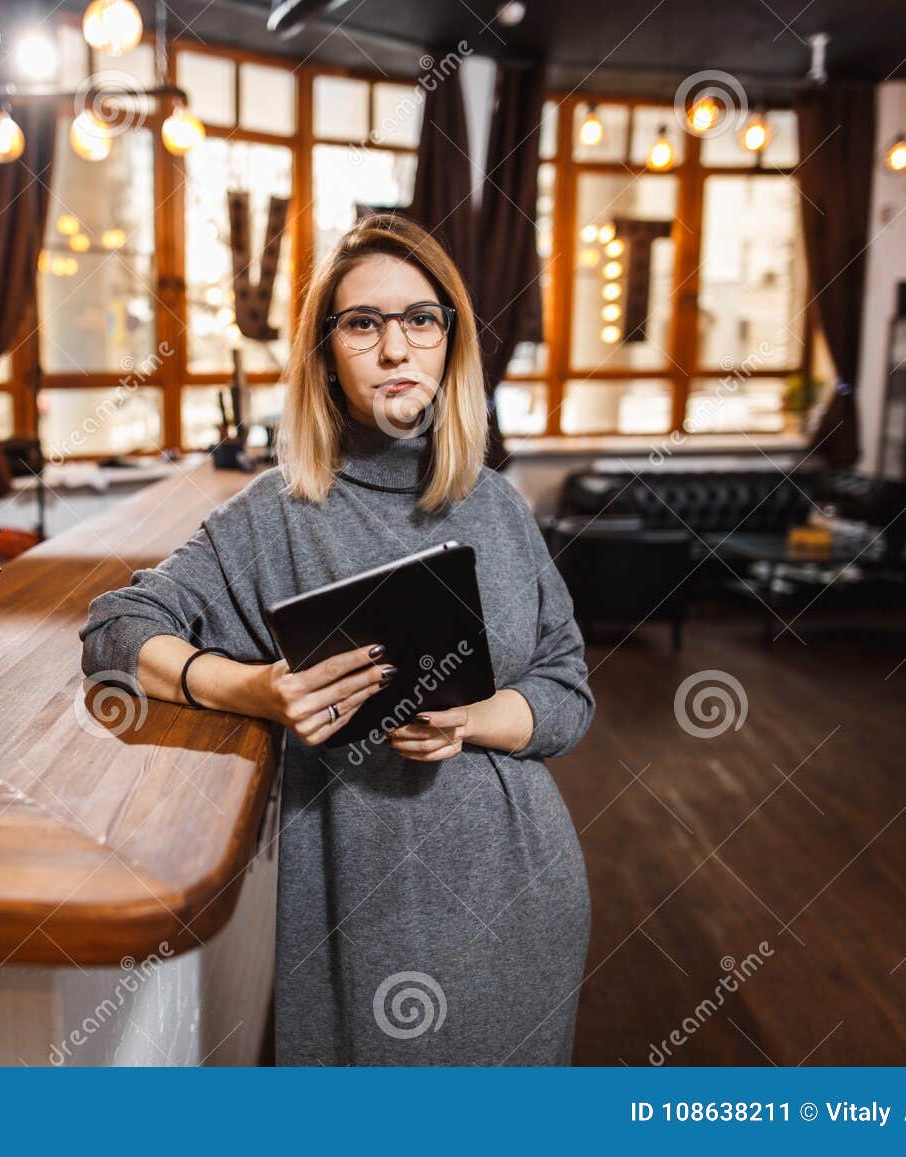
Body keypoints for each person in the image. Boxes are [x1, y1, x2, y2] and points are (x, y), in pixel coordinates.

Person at [79, 213, 594, 1064]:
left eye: (420, 319)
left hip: (524, 895)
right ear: (325, 353)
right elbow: (115, 629)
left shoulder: (499, 506)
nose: (396, 349)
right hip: (364, 910)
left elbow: (568, 691)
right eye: (363, 323)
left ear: (450, 343)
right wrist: (250, 688)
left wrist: (472, 719)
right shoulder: (274, 518)